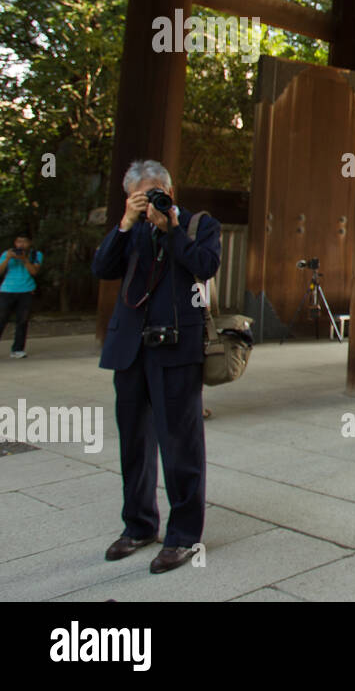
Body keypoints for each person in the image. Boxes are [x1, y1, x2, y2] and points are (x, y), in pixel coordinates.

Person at [91, 159, 221, 574]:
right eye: (142, 195)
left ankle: (183, 536)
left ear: (170, 190)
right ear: (130, 197)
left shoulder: (199, 226)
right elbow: (102, 268)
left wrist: (172, 230)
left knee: (181, 445)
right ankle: (139, 525)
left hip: (176, 349)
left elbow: (205, 266)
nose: (152, 200)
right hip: (129, 349)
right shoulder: (130, 230)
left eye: (157, 192)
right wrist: (127, 223)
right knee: (134, 443)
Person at [0, 233, 42, 358]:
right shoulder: (6, 254)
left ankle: (18, 349)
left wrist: (24, 259)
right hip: (7, 290)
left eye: (24, 242)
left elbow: (34, 271)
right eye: (19, 242)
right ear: (15, 243)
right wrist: (7, 258)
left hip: (26, 290)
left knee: (22, 321)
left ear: (29, 243)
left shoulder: (35, 254)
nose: (21, 245)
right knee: (1, 319)